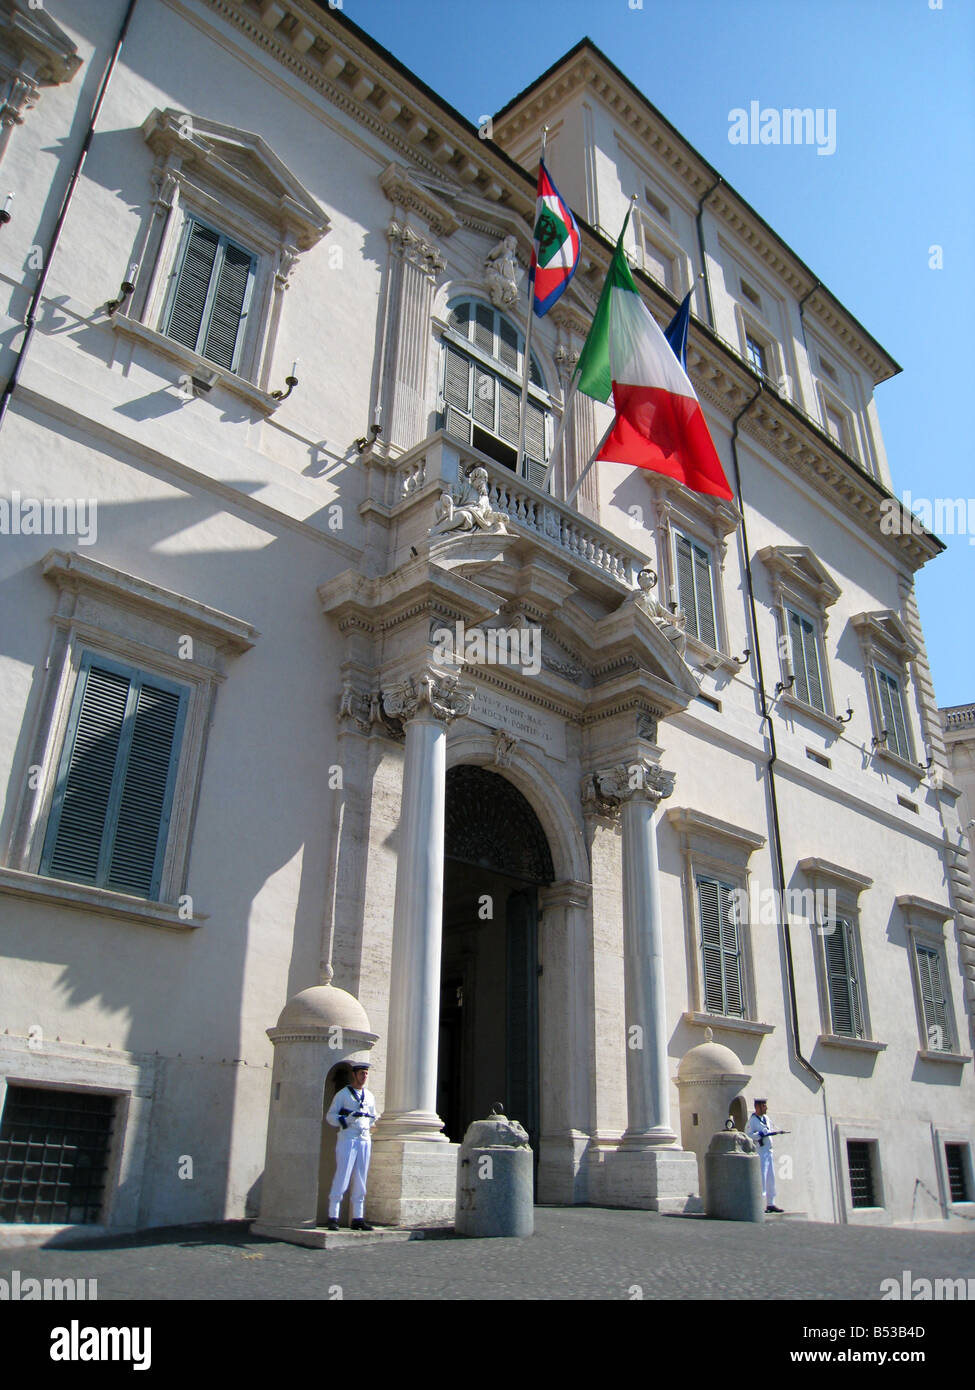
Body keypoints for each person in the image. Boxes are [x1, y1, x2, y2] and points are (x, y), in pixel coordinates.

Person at [325, 1062, 379, 1231]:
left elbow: (373, 1115)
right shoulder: (343, 1095)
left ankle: (358, 1217)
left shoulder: (369, 1095)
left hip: (364, 1138)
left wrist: (369, 1119)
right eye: (362, 1073)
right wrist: (347, 1119)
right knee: (343, 1175)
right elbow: (330, 1116)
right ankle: (333, 1216)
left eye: (366, 1074)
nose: (364, 1077)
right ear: (354, 1075)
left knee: (361, 1178)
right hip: (348, 1138)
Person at [746, 1097, 783, 1213]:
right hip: (760, 1151)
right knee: (762, 1177)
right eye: (763, 1105)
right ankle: (760, 1204)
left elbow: (771, 1128)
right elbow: (748, 1135)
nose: (766, 1108)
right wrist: (760, 1134)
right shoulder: (752, 1120)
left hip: (768, 1151)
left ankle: (771, 1203)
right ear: (757, 1107)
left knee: (771, 1179)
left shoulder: (766, 1118)